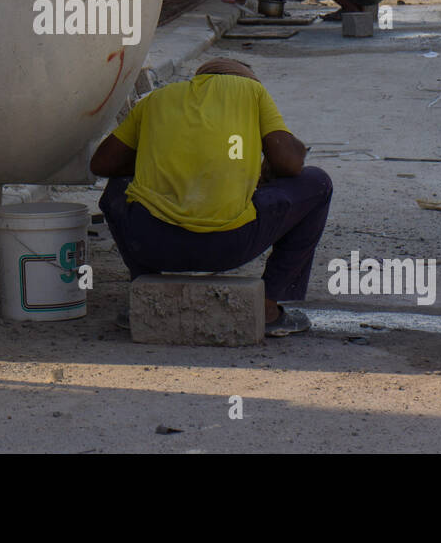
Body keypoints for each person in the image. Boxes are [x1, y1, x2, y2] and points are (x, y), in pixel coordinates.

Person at [89, 58, 332, 337]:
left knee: (118, 189)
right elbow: (289, 164)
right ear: (246, 79)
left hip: (152, 242)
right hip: (229, 245)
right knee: (318, 183)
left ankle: (146, 293)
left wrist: (160, 159)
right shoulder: (251, 91)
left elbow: (102, 164)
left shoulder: (157, 99)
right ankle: (267, 307)